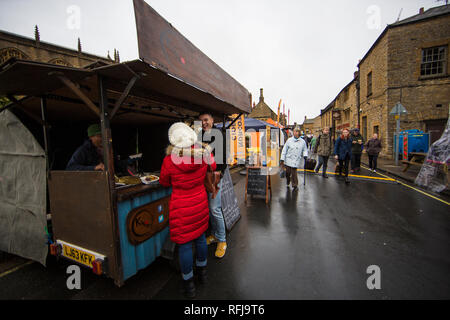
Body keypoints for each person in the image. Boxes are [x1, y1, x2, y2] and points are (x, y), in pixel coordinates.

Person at [159, 122, 216, 298]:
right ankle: (203, 273)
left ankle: (189, 284)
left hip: (181, 208)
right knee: (200, 239)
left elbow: (164, 182)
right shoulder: (203, 155)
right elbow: (213, 167)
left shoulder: (169, 161)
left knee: (184, 246)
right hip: (200, 203)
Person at [198, 112, 228, 259]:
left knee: (214, 208)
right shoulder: (200, 136)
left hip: (216, 176)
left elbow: (223, 159)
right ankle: (215, 235)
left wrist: (219, 176)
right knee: (210, 208)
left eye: (206, 120)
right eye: (201, 121)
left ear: (212, 120)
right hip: (205, 177)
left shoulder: (218, 134)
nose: (203, 123)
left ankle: (222, 240)